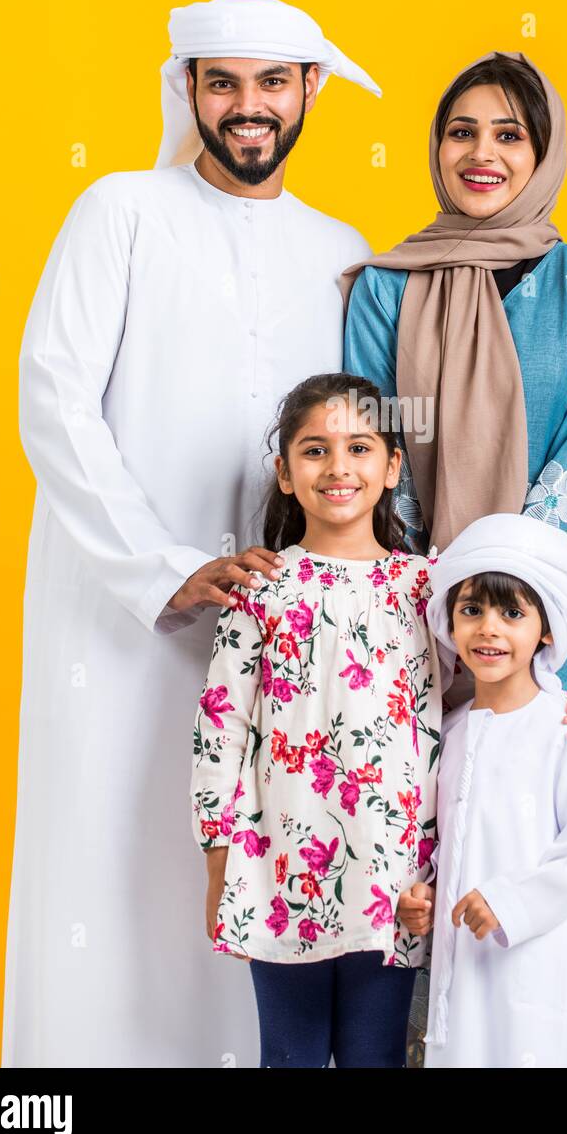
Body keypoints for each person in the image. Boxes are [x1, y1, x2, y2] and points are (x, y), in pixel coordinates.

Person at [3, 0, 383, 1068]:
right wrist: (166, 569)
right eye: (223, 82)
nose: (248, 106)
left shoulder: (340, 249)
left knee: (261, 864)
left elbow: (359, 438)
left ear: (311, 91)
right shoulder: (119, 210)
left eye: (273, 82)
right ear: (190, 92)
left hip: (284, 646)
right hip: (123, 625)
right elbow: (55, 401)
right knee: (111, 862)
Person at [341, 51, 567, 1067]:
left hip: (556, 634)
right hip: (423, 626)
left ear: (542, 152)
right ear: (435, 148)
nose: (481, 154)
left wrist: (512, 611)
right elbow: (371, 458)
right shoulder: (383, 290)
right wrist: (446, 597)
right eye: (460, 132)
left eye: (508, 134)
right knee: (430, 869)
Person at [190, 373, 442, 1067]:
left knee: (375, 1056)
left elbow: (480, 699)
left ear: (391, 467)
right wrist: (220, 860)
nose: (338, 468)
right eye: (314, 450)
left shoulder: (426, 589)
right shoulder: (260, 587)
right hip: (277, 872)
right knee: (290, 1058)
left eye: (360, 447)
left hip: (395, 877)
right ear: (284, 471)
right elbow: (222, 727)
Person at [400, 512, 567, 1068]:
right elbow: (444, 837)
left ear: (545, 628)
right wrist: (426, 891)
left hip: (533, 963)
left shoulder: (566, 727)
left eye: (511, 613)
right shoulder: (450, 730)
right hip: (459, 963)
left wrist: (509, 902)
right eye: (471, 610)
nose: (488, 629)